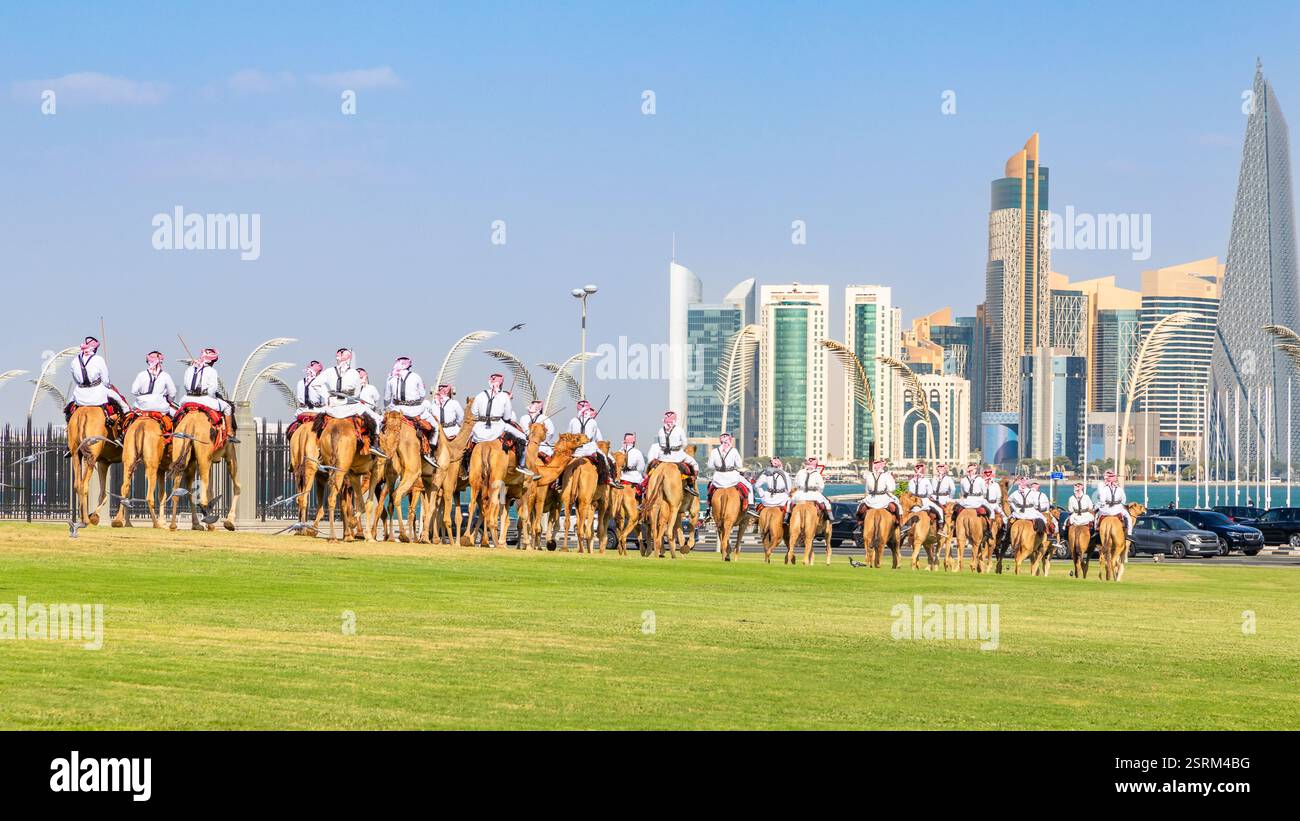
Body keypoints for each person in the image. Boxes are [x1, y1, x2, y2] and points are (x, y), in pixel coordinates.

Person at [470, 374, 534, 476]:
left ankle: (466, 466)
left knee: (466, 443)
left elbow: (474, 412)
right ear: (502, 384)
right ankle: (521, 465)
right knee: (523, 438)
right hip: (497, 427)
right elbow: (507, 417)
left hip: (479, 430)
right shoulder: (504, 396)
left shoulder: (480, 395)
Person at [317, 348, 373, 452]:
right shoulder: (354, 373)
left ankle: (318, 448)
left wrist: (327, 396)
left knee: (317, 426)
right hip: (350, 407)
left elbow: (315, 384)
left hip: (332, 408)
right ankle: (371, 447)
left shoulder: (329, 371)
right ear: (349, 360)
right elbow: (357, 394)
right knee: (371, 421)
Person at [385, 357, 438, 456]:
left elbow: (387, 399)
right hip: (415, 411)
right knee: (435, 426)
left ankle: (376, 447)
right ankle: (430, 453)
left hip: (396, 410)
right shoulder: (416, 376)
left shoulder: (390, 378)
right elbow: (422, 395)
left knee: (380, 425)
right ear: (409, 366)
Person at [67, 336, 130, 419]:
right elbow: (106, 380)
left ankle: (68, 424)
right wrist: (107, 386)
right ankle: (127, 415)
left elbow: (75, 379)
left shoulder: (74, 361)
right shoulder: (98, 359)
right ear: (95, 349)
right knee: (121, 402)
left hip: (80, 395)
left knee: (67, 409)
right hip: (97, 394)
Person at [567, 400, 613, 485]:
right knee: (604, 458)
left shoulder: (573, 420)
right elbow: (597, 439)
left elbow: (568, 436)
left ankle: (557, 482)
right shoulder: (593, 422)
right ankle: (608, 478)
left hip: (575, 451)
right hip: (589, 450)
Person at [645, 411, 699, 476]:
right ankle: (691, 482)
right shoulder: (679, 429)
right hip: (677, 457)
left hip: (662, 458)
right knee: (694, 464)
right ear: (674, 420)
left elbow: (660, 444)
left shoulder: (660, 430)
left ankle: (646, 481)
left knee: (650, 469)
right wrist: (679, 449)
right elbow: (685, 444)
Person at [706, 432, 751, 510]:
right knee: (749, 486)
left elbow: (710, 466)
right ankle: (749, 504)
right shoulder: (734, 451)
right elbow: (739, 465)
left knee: (710, 489)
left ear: (720, 441)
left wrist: (718, 467)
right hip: (732, 477)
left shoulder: (714, 451)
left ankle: (708, 507)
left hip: (718, 478)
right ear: (730, 441)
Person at [788, 457, 831, 523]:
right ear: (815, 466)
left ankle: (788, 517)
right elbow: (821, 487)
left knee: (790, 503)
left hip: (800, 494)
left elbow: (795, 484)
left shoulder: (800, 472)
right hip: (814, 494)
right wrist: (818, 492)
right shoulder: (817, 474)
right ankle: (828, 518)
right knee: (827, 504)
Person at [1096, 469, 1133, 534]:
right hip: (1117, 509)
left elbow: (1101, 499)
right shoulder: (1119, 488)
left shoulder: (1103, 487)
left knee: (1096, 516)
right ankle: (1129, 533)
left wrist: (1103, 504)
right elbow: (1123, 499)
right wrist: (1120, 504)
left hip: (1105, 509)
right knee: (1128, 517)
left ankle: (1096, 528)